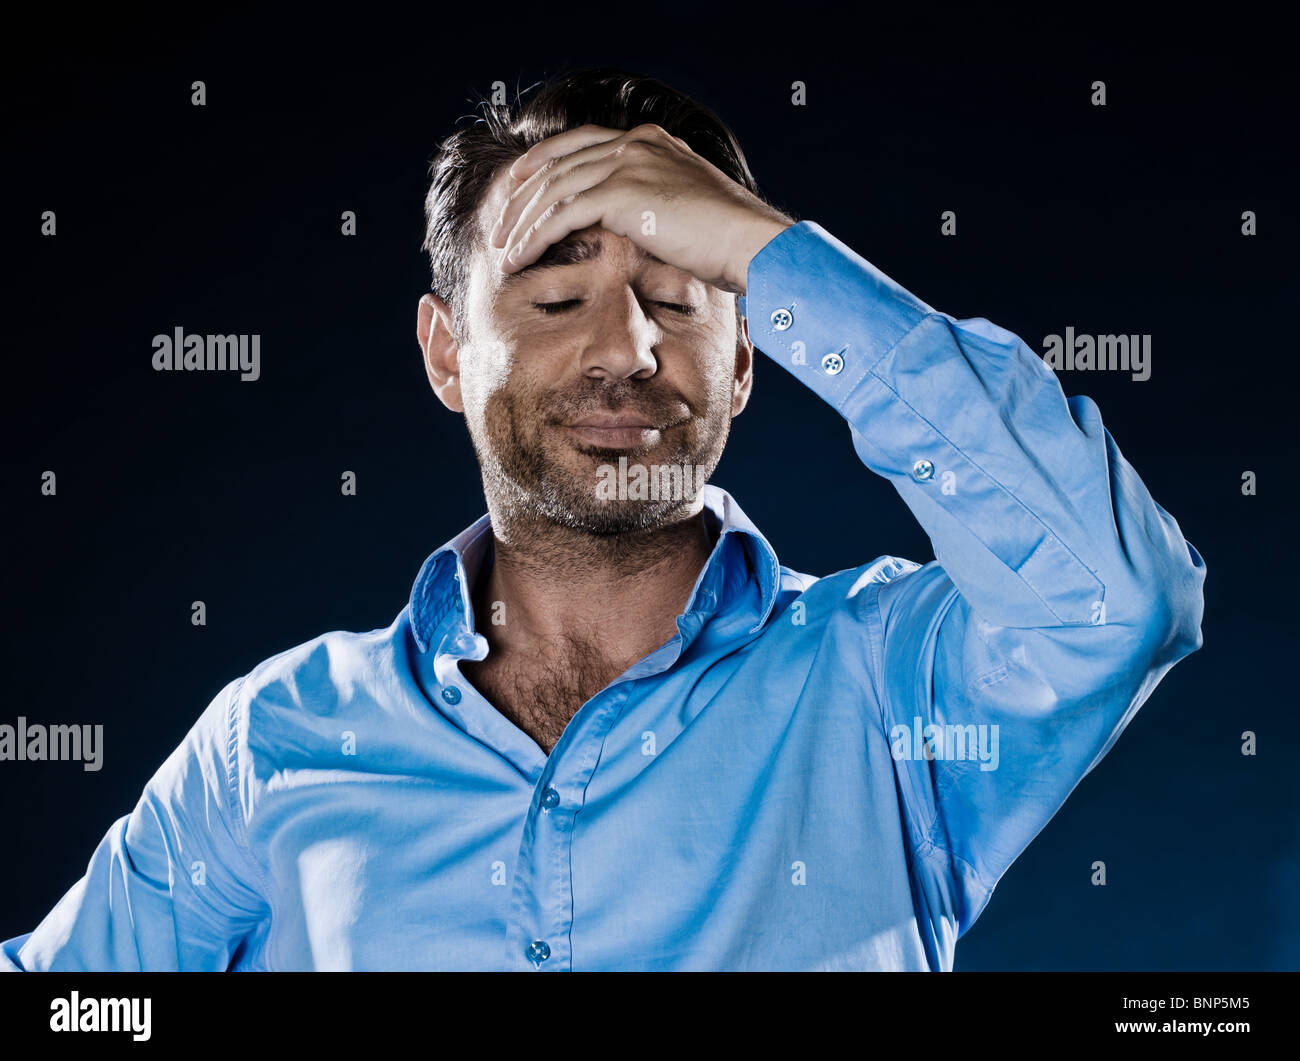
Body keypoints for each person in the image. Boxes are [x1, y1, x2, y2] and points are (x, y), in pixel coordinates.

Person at [1, 68, 1205, 971]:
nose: (625, 350)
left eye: (680, 297)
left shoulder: (891, 686)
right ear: (446, 355)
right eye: (558, 292)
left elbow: (1122, 597)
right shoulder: (272, 739)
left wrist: (766, 251)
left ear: (746, 361)